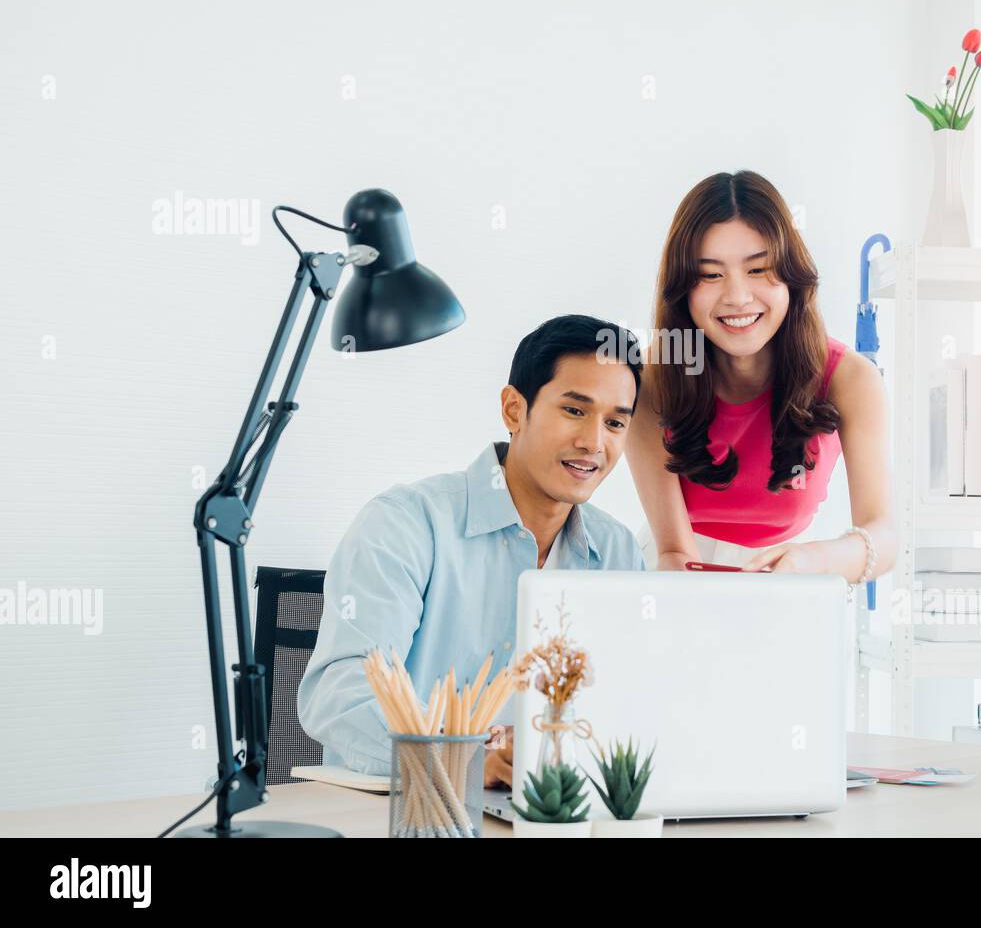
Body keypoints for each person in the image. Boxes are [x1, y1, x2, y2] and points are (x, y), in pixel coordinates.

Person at [298, 314, 646, 787]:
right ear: (513, 410)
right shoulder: (406, 523)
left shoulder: (619, 552)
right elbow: (339, 695)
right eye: (574, 411)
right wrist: (464, 756)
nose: (593, 442)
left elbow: (633, 704)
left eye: (615, 422)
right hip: (411, 812)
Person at [626, 169, 898, 586]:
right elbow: (675, 552)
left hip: (792, 575)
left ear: (791, 274)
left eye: (758, 270)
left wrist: (813, 562)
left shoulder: (850, 379)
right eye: (711, 274)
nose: (737, 296)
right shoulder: (652, 382)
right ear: (684, 288)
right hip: (679, 577)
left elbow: (884, 537)